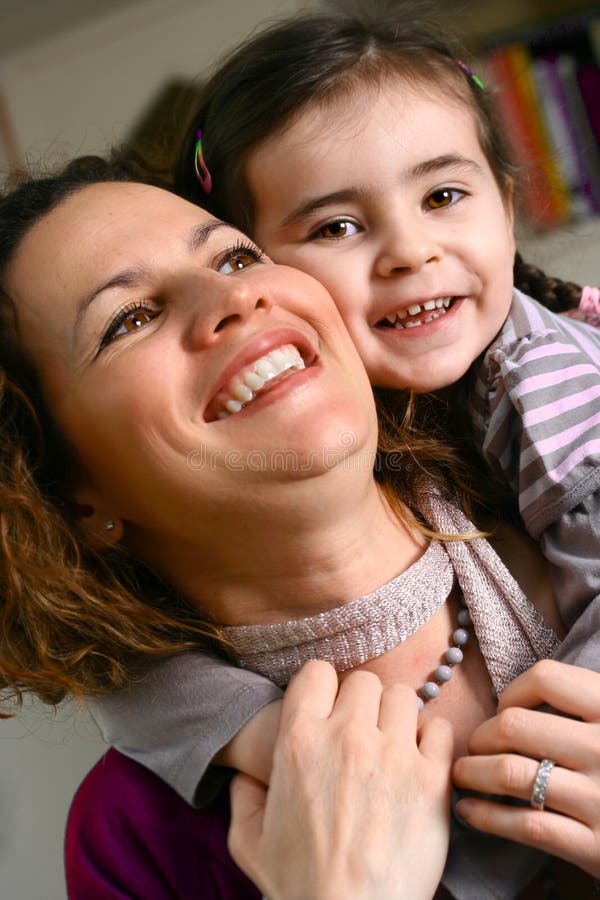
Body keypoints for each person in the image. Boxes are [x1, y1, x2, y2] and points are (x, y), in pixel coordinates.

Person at [82, 7, 600, 888]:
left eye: (442, 196)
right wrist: (255, 737)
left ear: (507, 206)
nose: (409, 251)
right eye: (336, 227)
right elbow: (128, 663)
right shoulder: (408, 410)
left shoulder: (546, 378)